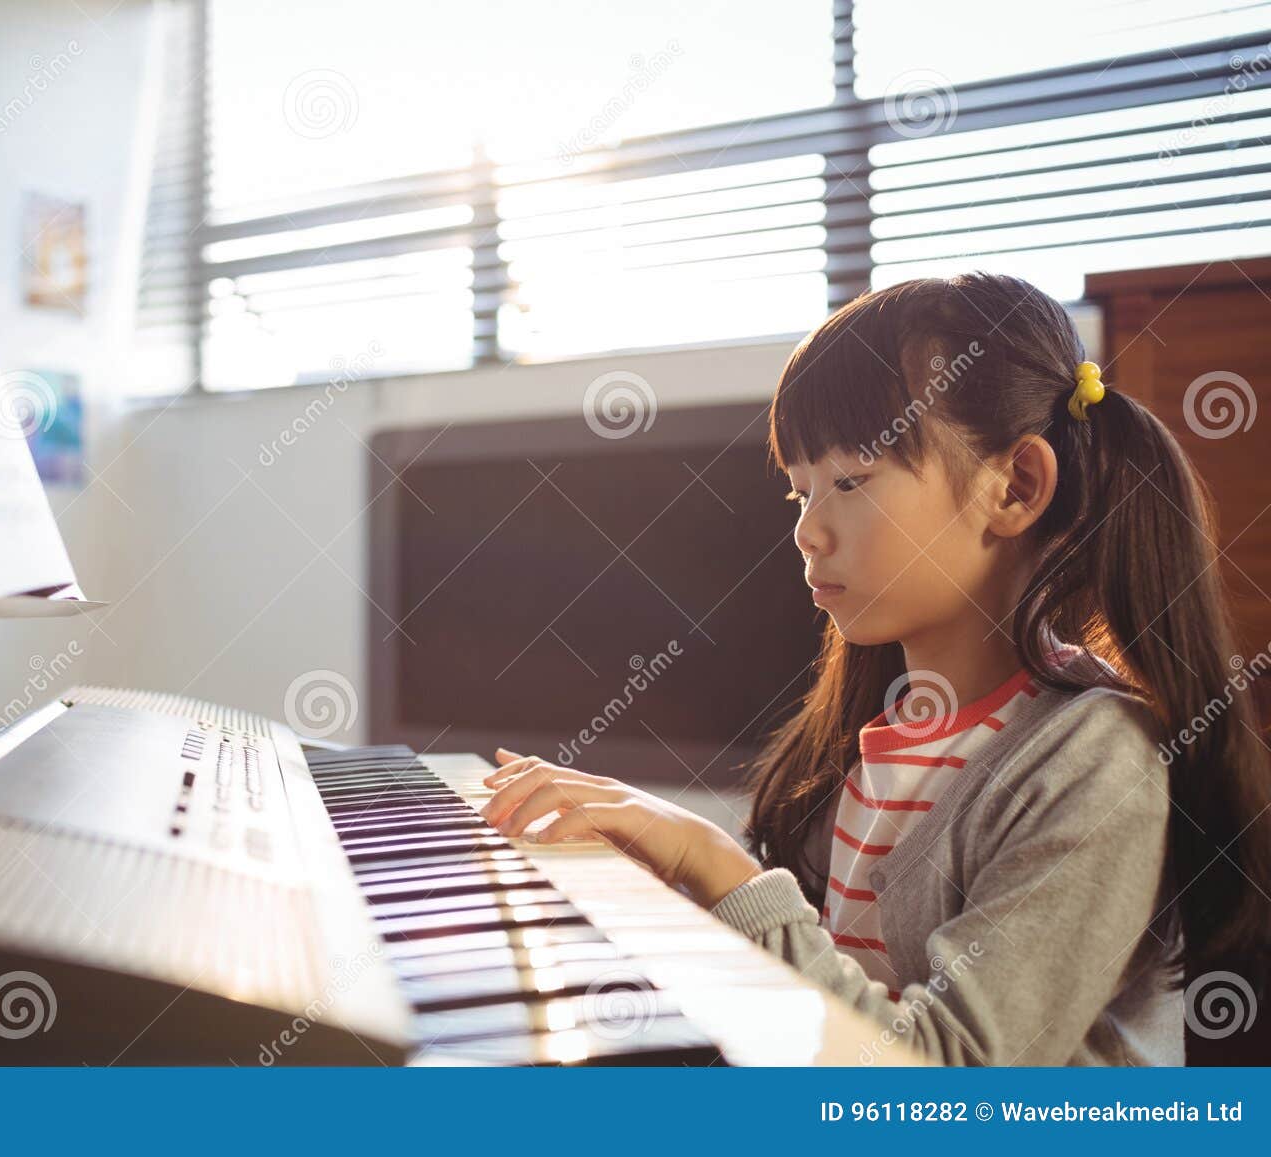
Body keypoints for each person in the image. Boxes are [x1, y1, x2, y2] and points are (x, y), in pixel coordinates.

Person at [483, 272, 1271, 1065]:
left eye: (851, 481)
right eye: (800, 492)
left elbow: (945, 1078)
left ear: (1017, 487)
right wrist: (668, 885)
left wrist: (715, 864)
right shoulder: (882, 739)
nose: (807, 531)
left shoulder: (1094, 761)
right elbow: (823, 1008)